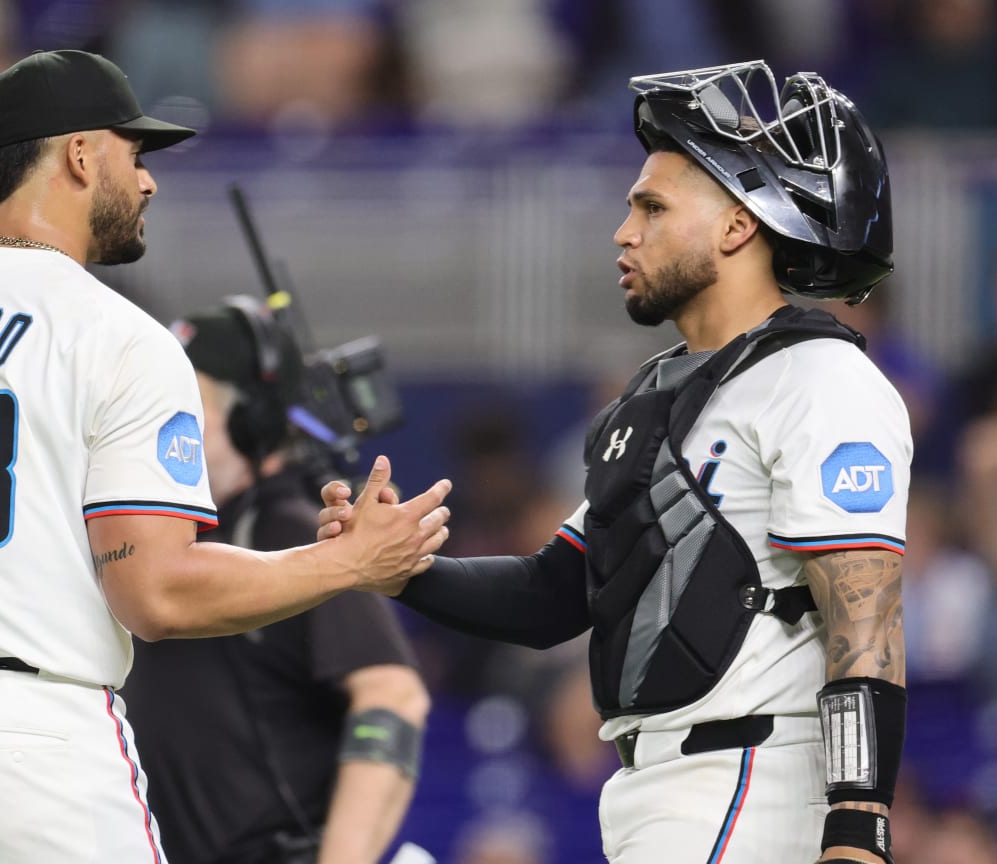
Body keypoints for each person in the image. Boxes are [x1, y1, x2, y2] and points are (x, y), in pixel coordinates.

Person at [0, 49, 451, 863]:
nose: (148, 180)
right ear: (81, 155)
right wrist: (348, 563)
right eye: (135, 152)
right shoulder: (117, 333)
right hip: (29, 737)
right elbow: (156, 594)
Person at [320, 61, 908, 863]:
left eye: (652, 207)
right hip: (657, 789)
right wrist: (394, 567)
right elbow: (553, 593)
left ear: (737, 227)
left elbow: (866, 614)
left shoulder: (819, 377)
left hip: (752, 779)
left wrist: (859, 825)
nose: (624, 232)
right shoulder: (656, 393)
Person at [120, 298, 429, 864]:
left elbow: (392, 696)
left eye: (182, 401)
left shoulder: (291, 532)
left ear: (250, 421)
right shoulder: (153, 538)